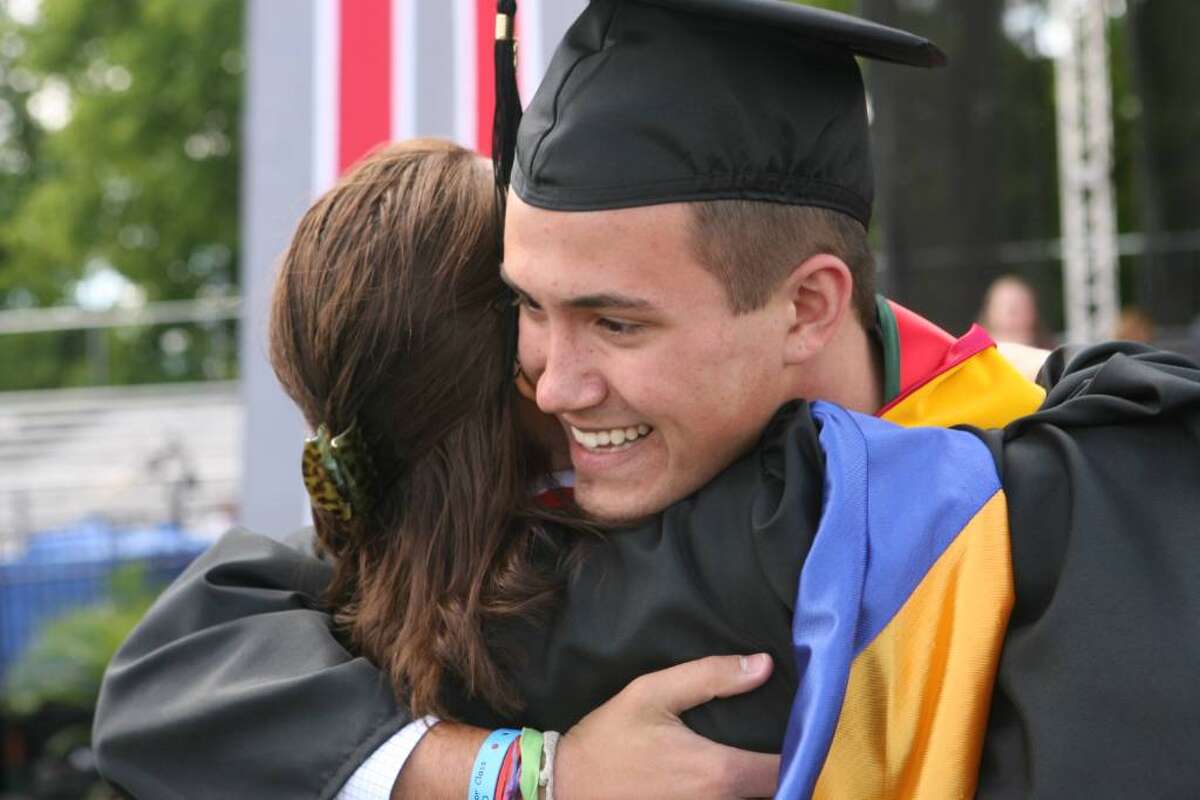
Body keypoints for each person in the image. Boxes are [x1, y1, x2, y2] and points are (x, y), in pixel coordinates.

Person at [93, 1, 1200, 798]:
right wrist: (531, 773)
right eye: (527, 306)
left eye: (618, 320)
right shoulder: (523, 549)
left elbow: (180, 666)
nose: (554, 380)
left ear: (809, 305)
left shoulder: (1047, 485)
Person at [978, 275, 1050, 348]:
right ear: (989, 312)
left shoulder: (1051, 355)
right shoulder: (975, 356)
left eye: (1022, 306)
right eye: (1004, 305)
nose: (1012, 313)